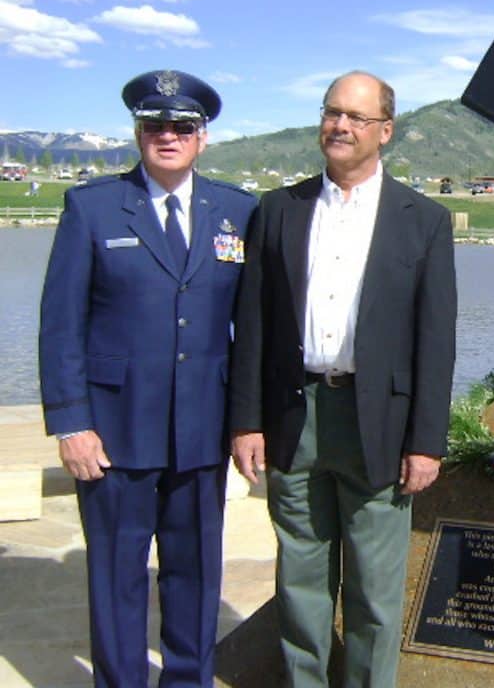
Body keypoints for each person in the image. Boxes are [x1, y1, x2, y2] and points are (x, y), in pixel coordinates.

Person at [229, 70, 457, 688]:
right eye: (332, 112)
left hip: (378, 423)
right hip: (295, 415)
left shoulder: (423, 220)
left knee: (374, 592)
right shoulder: (278, 210)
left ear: (385, 131)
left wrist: (426, 441)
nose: (340, 125)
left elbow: (436, 341)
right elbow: (253, 324)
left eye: (357, 117)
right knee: (299, 581)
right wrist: (246, 421)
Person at [38, 69, 257, 687]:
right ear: (137, 133)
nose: (168, 135)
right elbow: (61, 325)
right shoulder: (92, 207)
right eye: (155, 124)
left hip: (201, 430)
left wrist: (248, 421)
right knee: (116, 575)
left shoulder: (238, 211)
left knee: (195, 574)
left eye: (182, 126)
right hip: (113, 432)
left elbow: (251, 330)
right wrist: (72, 424)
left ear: (202, 137)